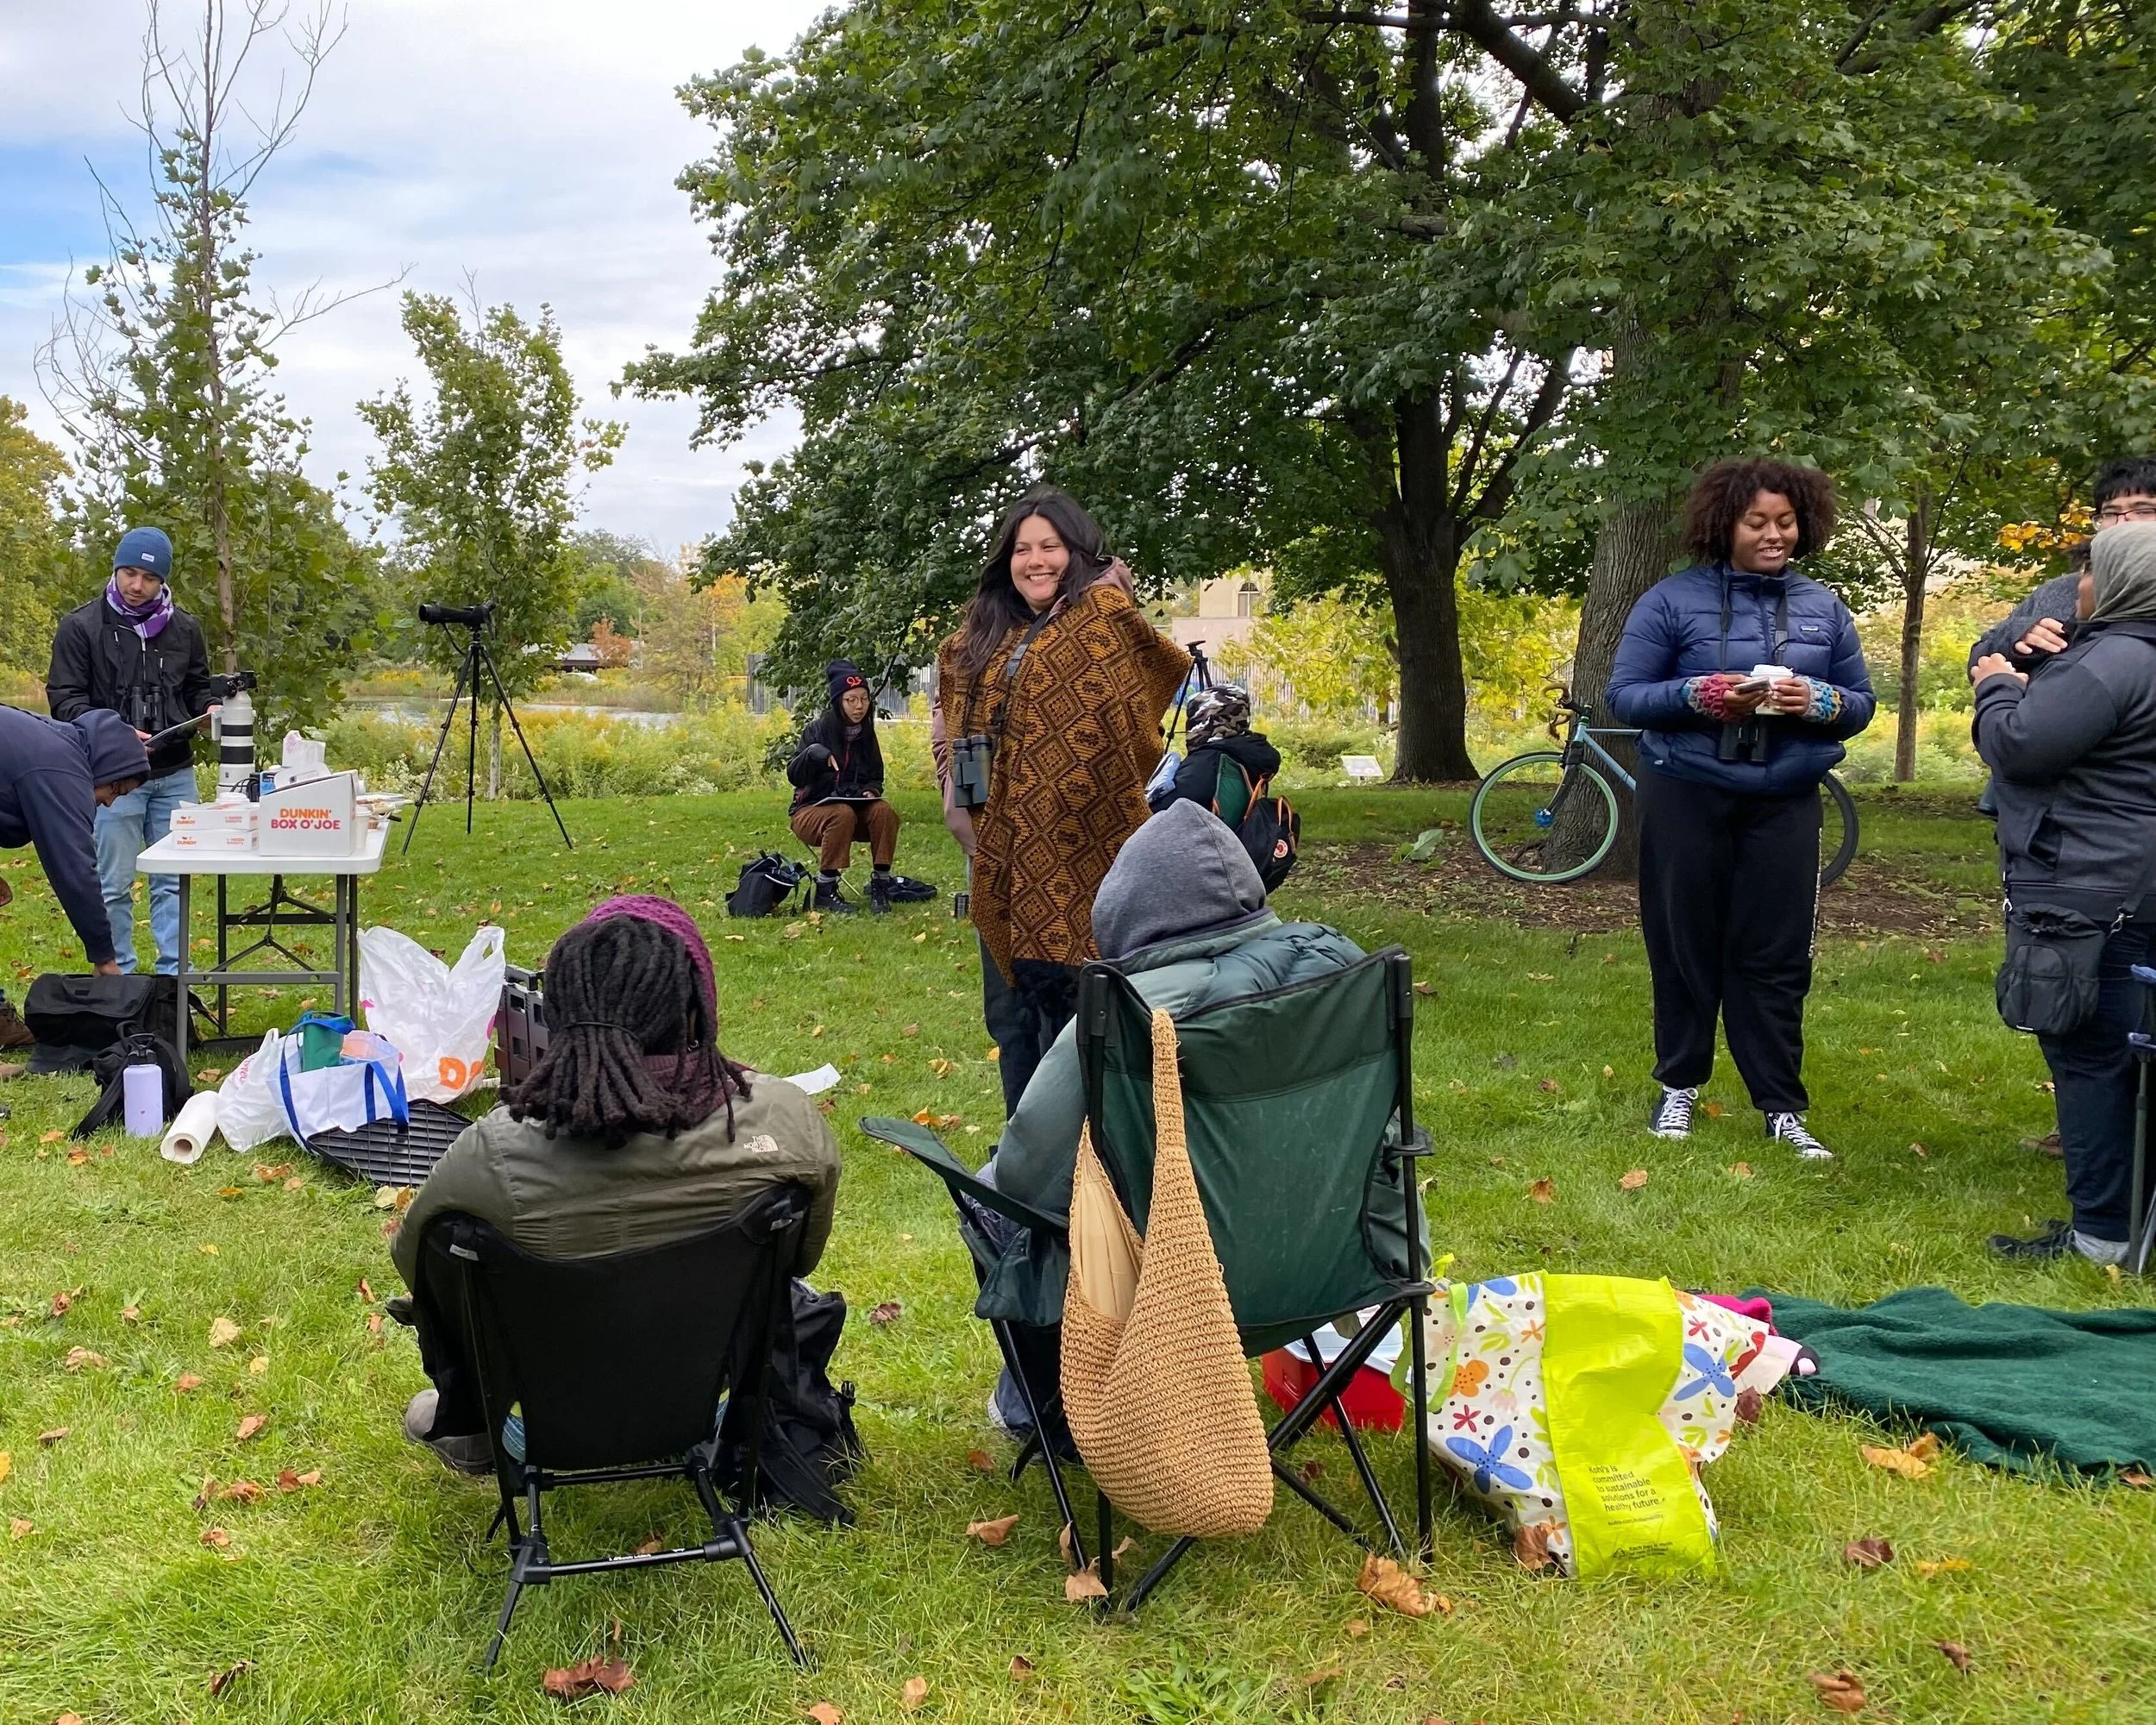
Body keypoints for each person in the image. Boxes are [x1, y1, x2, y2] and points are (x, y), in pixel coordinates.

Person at [968, 799, 1384, 1442]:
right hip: (1347, 1264)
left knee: (988, 1198)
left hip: (1175, 1296)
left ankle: (1055, 1419)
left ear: (1123, 917)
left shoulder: (1127, 1011)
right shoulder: (1343, 965)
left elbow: (1025, 1176)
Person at [391, 896, 842, 1472]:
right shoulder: (786, 1119)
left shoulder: (497, 1150)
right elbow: (800, 1261)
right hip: (710, 1384)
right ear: (696, 1011)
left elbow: (419, 1267)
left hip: (549, 1403)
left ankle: (480, 1431)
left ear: (562, 1014)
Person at [1606, 457, 1875, 1160]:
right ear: (1724, 523)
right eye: (1758, 522)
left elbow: (1860, 705)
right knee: (1684, 942)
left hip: (1785, 798)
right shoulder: (1668, 601)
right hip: (1686, 790)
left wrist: (1816, 702)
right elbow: (1627, 696)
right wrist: (1699, 694)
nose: (1773, 534)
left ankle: (1781, 1106)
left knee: (1777, 955)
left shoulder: (1824, 608)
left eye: (1786, 522)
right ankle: (1679, 1087)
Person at [932, 487, 1188, 1115]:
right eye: (1023, 549)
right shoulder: (986, 632)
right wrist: (959, 800)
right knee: (1011, 1014)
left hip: (1085, 849)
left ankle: (1091, 1160)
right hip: (997, 848)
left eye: (1050, 546)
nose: (1036, 561)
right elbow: (964, 727)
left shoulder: (1100, 623)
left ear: (1077, 552)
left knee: (1082, 1016)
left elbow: (1144, 692)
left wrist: (1107, 593)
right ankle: (1023, 1158)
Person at [1971, 523, 2156, 1267]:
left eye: (2091, 570)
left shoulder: (2113, 660)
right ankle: (2135, 1225)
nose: (2078, 583)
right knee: (2134, 1053)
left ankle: (2101, 1235)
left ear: (2121, 582)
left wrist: (1996, 689)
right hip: (2136, 882)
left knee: (2088, 1053)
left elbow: (2020, 746)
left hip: (2088, 885)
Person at [47, 526, 219, 975]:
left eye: (147, 577)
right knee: (113, 882)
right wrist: (113, 733)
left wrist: (210, 706)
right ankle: (117, 979)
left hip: (174, 772)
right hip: (112, 779)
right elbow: (65, 699)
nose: (136, 586)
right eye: (128, 573)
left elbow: (198, 685)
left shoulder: (185, 629)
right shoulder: (81, 626)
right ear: (116, 570)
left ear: (163, 581)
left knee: (173, 881)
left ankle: (173, 980)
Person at [787, 659, 901, 913]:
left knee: (884, 811)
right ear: (839, 702)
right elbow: (794, 775)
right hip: (809, 812)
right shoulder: (817, 730)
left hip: (853, 812)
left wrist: (871, 791)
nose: (859, 706)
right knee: (841, 813)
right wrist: (814, 753)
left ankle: (881, 885)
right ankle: (825, 890)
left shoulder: (866, 734)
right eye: (852, 700)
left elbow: (875, 776)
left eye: (864, 698)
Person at [1157, 682, 1282, 830]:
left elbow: (1163, 812)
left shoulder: (1208, 763)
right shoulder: (1249, 753)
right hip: (1235, 842)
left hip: (1199, 844)